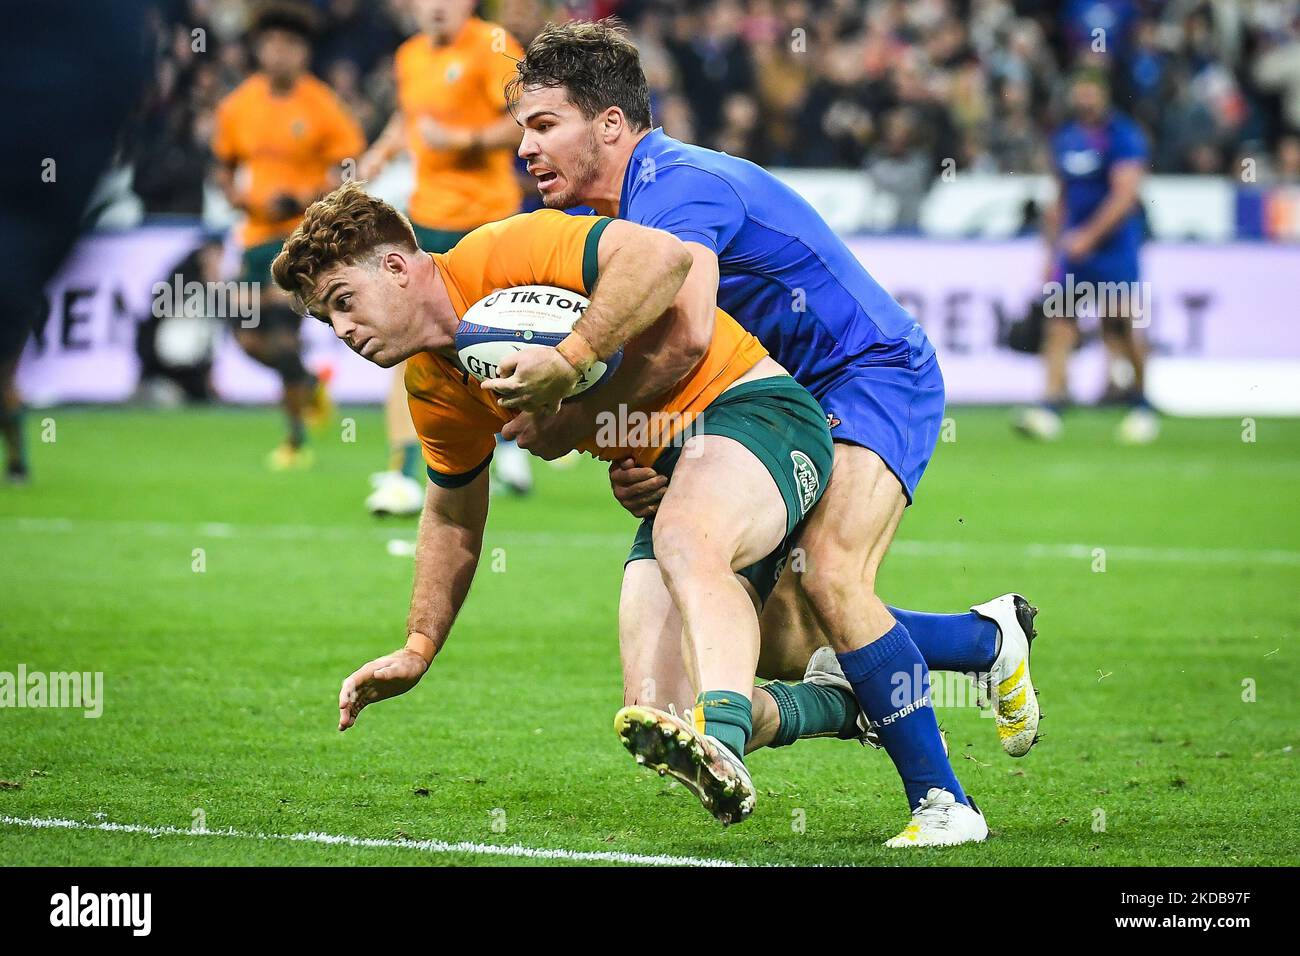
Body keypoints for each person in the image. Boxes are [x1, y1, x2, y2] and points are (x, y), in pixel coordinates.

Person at [494, 20, 1041, 846]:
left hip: (869, 373)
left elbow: (681, 338)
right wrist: (647, 449)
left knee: (832, 578)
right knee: (786, 641)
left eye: (543, 126)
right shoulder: (616, 219)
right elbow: (697, 364)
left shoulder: (674, 188)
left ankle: (946, 805)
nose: (525, 150)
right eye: (521, 131)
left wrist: (577, 421)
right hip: (775, 398)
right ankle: (981, 638)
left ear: (611, 124)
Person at [273, 184, 879, 827]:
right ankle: (843, 701)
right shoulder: (431, 384)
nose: (341, 330)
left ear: (395, 266)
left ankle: (726, 741)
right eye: (326, 319)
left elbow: (663, 258)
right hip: (672, 478)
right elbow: (453, 516)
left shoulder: (502, 252)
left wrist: (572, 368)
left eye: (344, 302)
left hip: (756, 412)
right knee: (660, 718)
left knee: (686, 541)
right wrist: (418, 647)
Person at [357, 0, 529, 514]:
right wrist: (383, 150)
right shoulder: (410, 55)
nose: (435, 6)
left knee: (494, 340)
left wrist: (463, 138)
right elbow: (408, 116)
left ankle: (511, 443)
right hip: (425, 219)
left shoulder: (494, 46)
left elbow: (524, 121)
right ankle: (405, 473)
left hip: (487, 222)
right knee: (409, 339)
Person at [211, 1, 365, 470]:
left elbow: (349, 167)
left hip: (302, 239)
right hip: (256, 237)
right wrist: (238, 199)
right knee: (249, 339)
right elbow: (224, 166)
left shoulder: (320, 104)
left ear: (304, 52)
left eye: (292, 44)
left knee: (280, 331)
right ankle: (309, 386)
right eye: (273, 43)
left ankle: (295, 440)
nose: (281, 52)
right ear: (260, 48)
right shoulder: (239, 106)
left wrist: (304, 193)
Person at [1018, 68, 1156, 444]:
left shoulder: (1123, 136)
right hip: (1073, 253)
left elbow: (1125, 196)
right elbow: (1060, 198)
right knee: (1059, 327)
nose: (1085, 99)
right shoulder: (1064, 139)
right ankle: (1050, 405)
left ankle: (1142, 403)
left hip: (1113, 251)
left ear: (1103, 95)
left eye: (1091, 92)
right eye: (1080, 92)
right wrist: (1051, 250)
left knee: (1120, 327)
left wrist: (1089, 236)